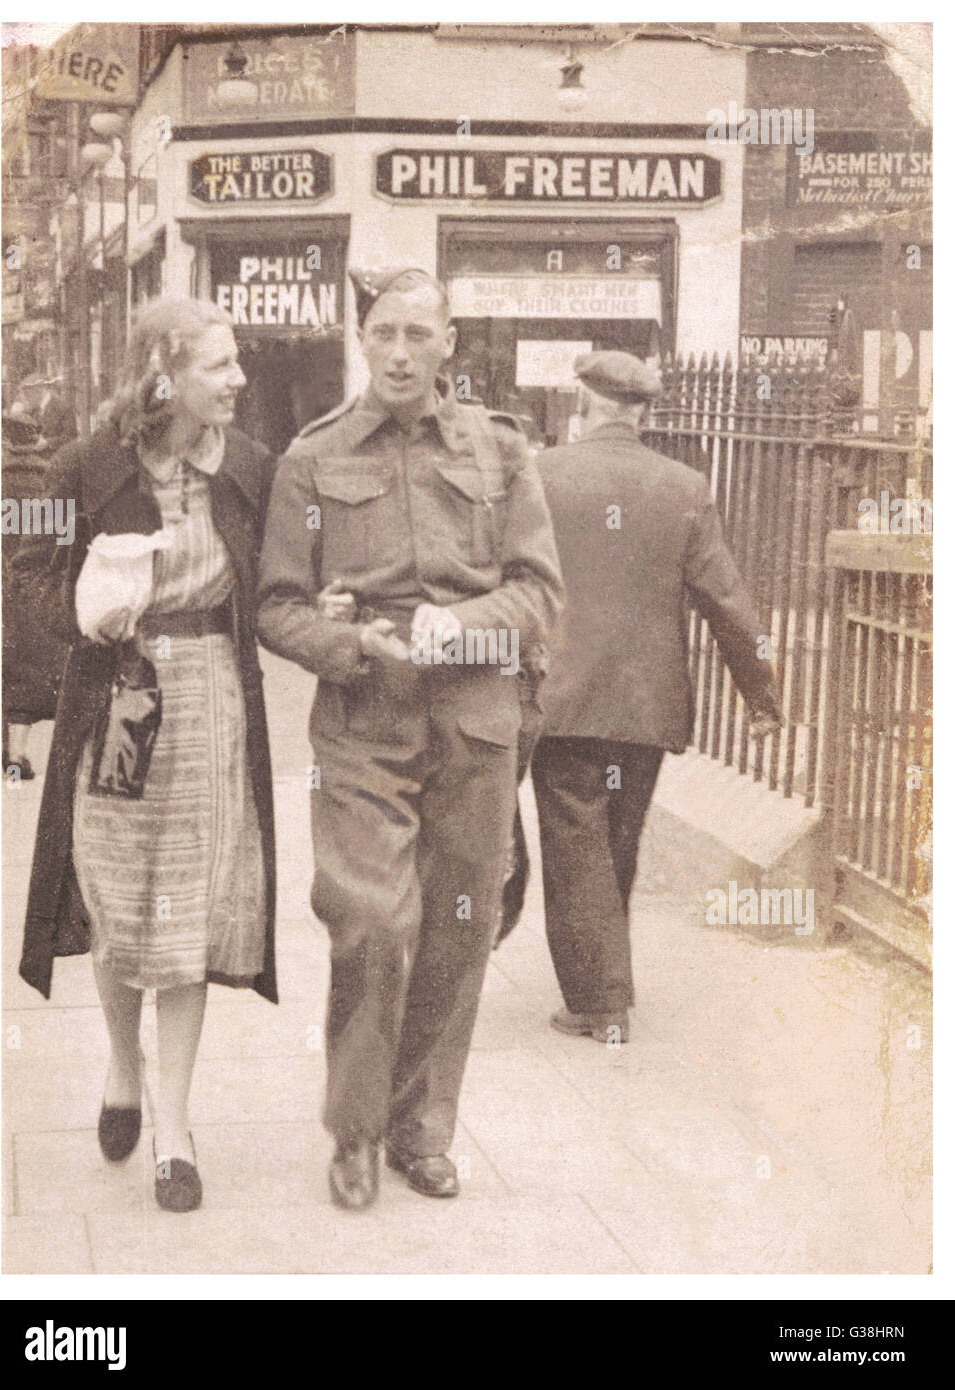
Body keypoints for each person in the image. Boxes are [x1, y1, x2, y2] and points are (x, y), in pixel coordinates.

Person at [257, 267, 563, 1209]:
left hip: (475, 722)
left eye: (417, 336)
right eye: (383, 333)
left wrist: (464, 625)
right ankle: (353, 1129)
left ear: (448, 346)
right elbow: (274, 606)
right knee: (369, 922)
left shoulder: (502, 451)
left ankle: (420, 1127)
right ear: (362, 338)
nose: (398, 353)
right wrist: (346, 639)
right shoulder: (310, 459)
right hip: (363, 724)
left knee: (457, 930)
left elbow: (540, 592)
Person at [13, 298, 278, 1212]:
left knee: (192, 912)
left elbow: (283, 583)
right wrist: (85, 614)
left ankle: (173, 1124)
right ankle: (122, 1067)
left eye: (238, 360)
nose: (240, 378)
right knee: (119, 897)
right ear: (165, 375)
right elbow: (22, 571)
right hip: (118, 700)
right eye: (221, 363)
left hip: (212, 705)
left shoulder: (251, 467)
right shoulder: (84, 466)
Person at [530, 351, 783, 1043]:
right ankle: (602, 985)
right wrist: (760, 693)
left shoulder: (543, 474)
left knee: (572, 839)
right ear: (643, 412)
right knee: (617, 839)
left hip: (566, 696)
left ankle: (599, 1000)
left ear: (581, 404)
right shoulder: (684, 486)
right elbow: (725, 599)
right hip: (647, 702)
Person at [2, 406, 70, 779]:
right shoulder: (53, 481)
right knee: (36, 675)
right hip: (38, 590)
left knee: (4, 669)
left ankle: (7, 753)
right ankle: (24, 756)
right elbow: (67, 540)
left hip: (2, 586)